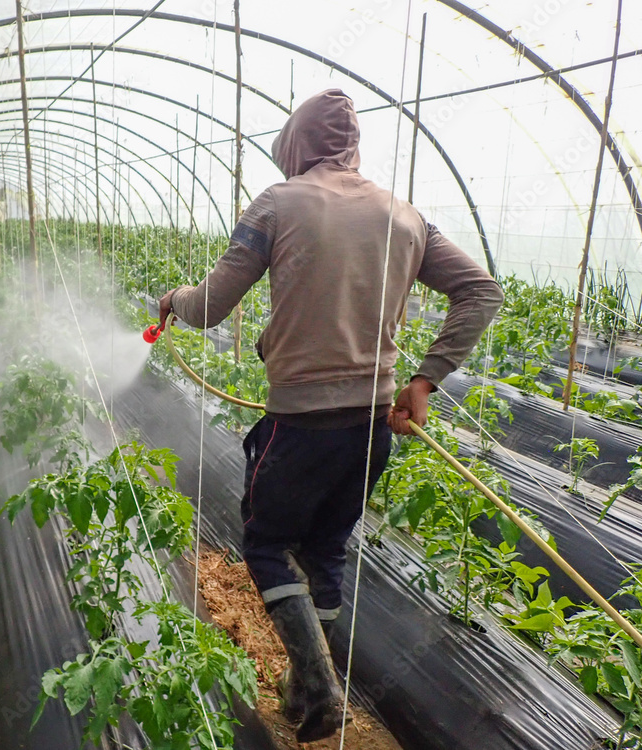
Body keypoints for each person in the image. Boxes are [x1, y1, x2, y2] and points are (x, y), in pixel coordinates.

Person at [157, 89, 504, 741]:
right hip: (371, 429)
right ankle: (304, 685)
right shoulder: (405, 216)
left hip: (302, 426)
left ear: (296, 145)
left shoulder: (279, 203)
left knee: (263, 544)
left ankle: (319, 692)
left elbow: (209, 308)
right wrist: (425, 382)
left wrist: (172, 298)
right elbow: (482, 291)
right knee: (324, 552)